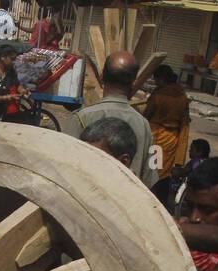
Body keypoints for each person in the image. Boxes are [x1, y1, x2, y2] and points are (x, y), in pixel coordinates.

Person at [67, 51, 156, 186]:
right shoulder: (144, 125)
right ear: (133, 82)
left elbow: (63, 164)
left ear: (102, 77)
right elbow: (151, 176)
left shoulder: (81, 117)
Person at [144, 64, 189, 174]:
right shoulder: (182, 97)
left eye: (156, 80)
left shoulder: (158, 94)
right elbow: (184, 126)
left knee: (151, 171)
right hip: (171, 140)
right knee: (162, 173)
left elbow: (146, 115)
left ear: (162, 79)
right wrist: (179, 160)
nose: (155, 83)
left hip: (155, 136)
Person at [0, 45, 27, 123]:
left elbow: (17, 85)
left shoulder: (11, 72)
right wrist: (7, 97)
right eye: (12, 59)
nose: (14, 62)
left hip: (10, 116)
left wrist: (22, 90)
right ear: (2, 57)